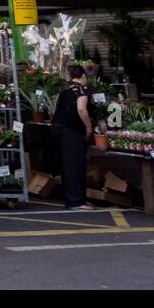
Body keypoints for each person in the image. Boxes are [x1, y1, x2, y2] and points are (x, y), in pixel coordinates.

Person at [53, 63, 96, 210]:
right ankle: (76, 202)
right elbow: (81, 109)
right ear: (83, 76)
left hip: (61, 129)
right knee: (75, 165)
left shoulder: (66, 88)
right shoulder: (81, 89)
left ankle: (75, 199)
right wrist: (88, 127)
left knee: (68, 164)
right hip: (72, 131)